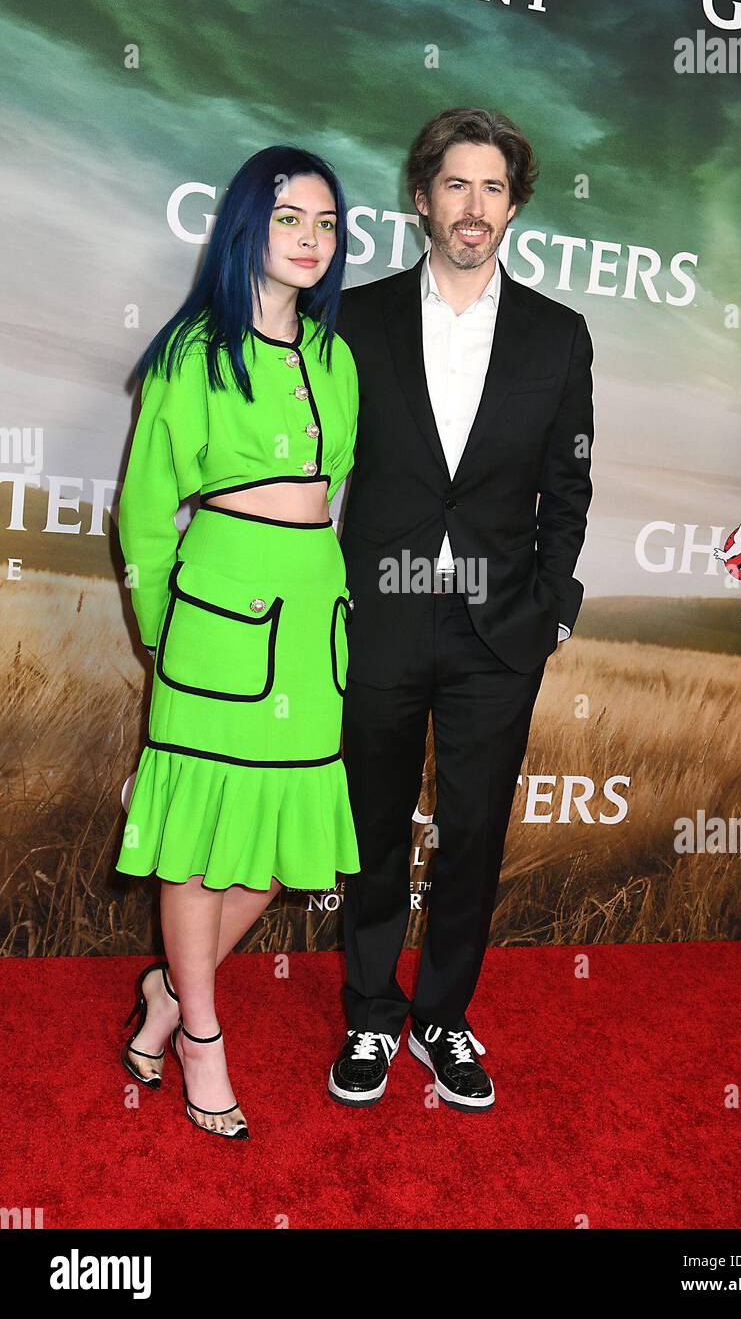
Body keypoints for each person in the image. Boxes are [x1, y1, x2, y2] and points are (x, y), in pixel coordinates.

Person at [328, 107, 594, 1113]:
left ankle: (441, 1017)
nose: (472, 205)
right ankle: (367, 1012)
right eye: (454, 184)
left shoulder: (556, 336)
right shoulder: (353, 318)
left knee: (472, 832)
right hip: (381, 616)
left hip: (496, 633)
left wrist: (549, 611)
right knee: (373, 824)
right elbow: (316, 466)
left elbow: (566, 491)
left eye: (491, 188)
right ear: (419, 198)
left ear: (513, 206)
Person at [115, 145, 359, 1139]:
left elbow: (336, 488)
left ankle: (169, 989)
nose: (310, 239)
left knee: (276, 847)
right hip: (215, 616)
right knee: (200, 848)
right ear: (245, 230)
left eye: (327, 224)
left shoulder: (338, 356)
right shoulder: (190, 352)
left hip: (310, 617)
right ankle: (203, 1037)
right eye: (289, 218)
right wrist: (173, 639)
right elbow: (139, 516)